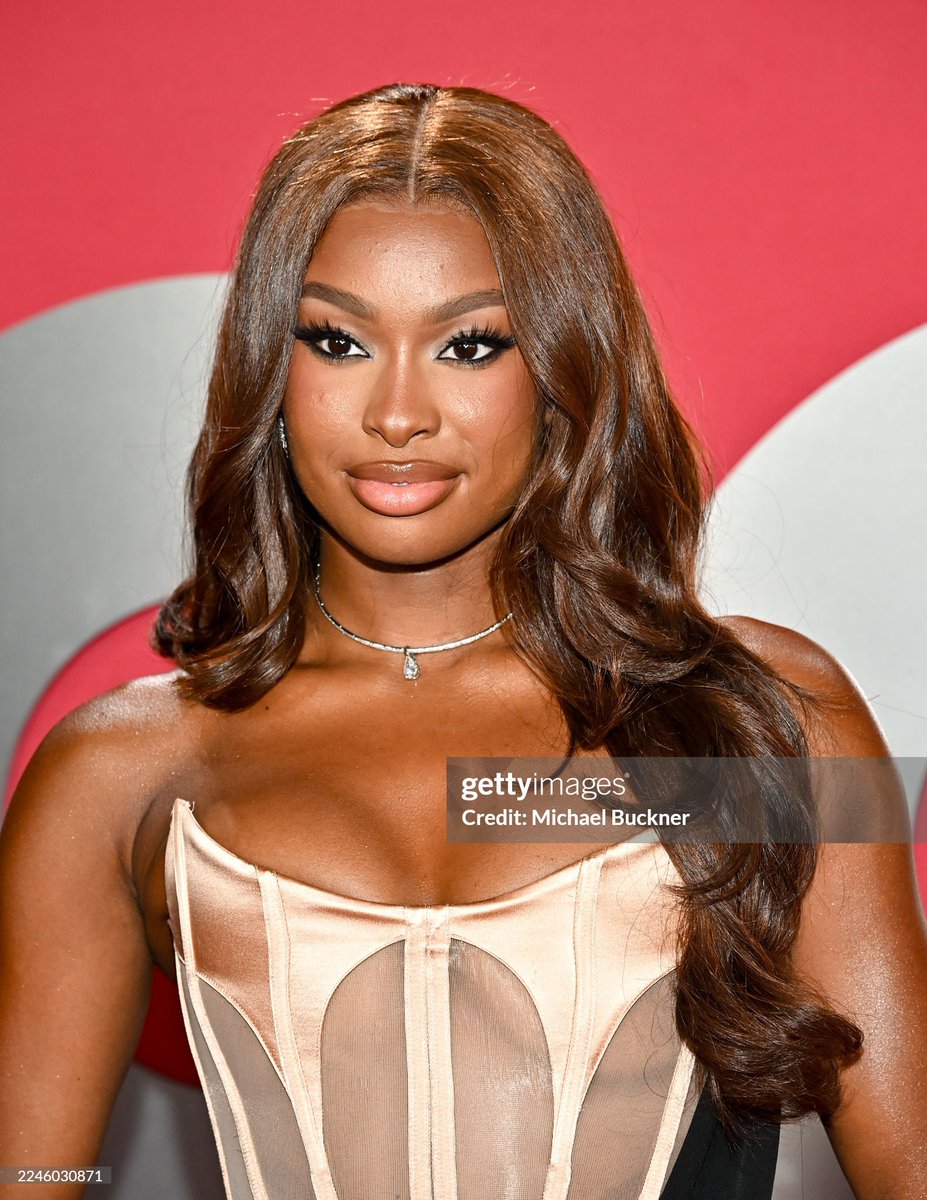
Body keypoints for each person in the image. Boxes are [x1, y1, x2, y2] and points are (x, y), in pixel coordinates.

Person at [1, 81, 925, 1200]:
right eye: (338, 341)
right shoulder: (117, 775)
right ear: (270, 372)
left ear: (565, 370)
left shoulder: (772, 718)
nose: (397, 413)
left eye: (471, 345)